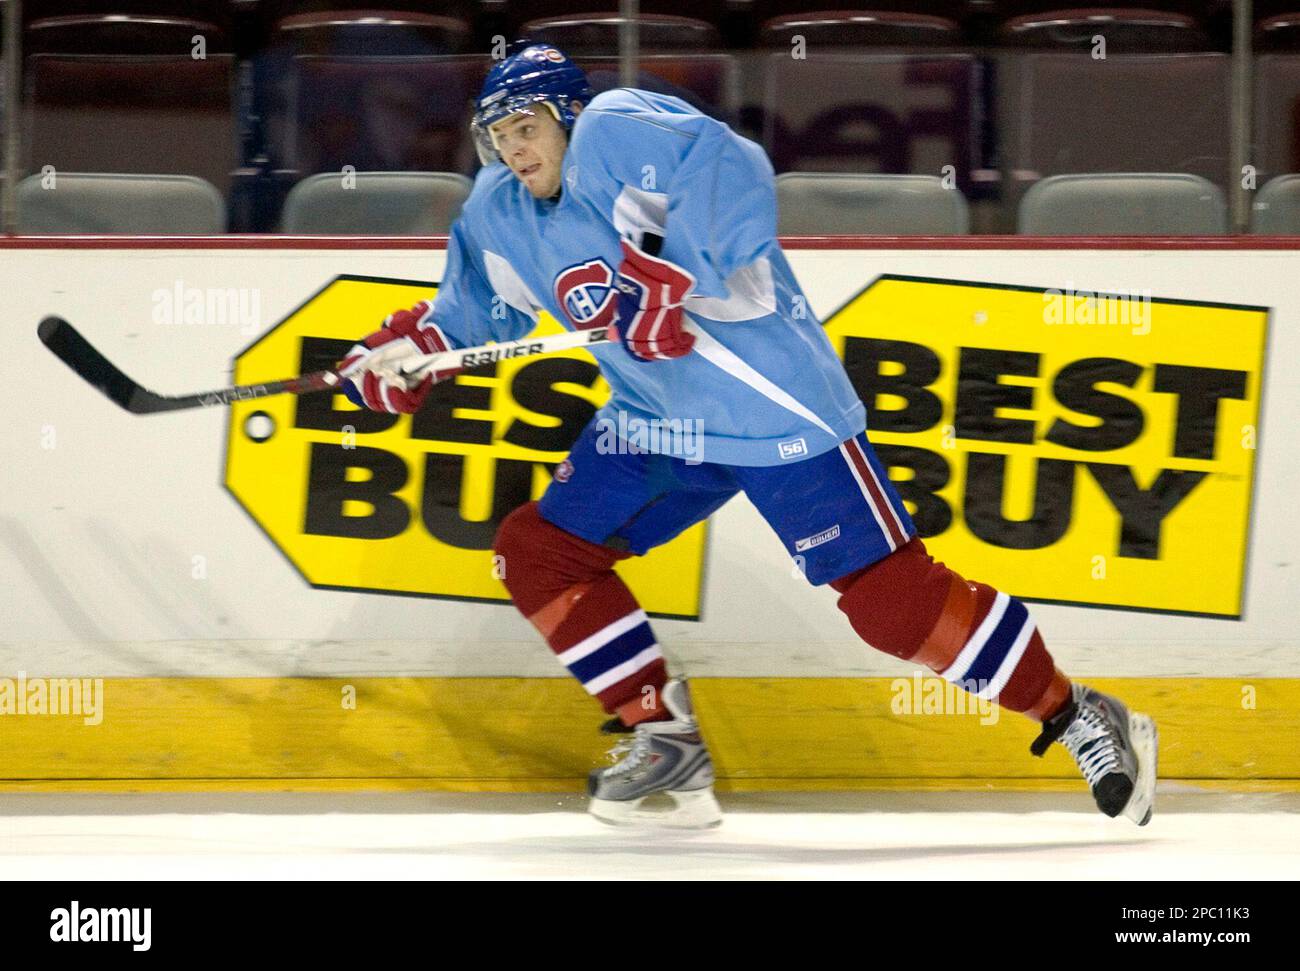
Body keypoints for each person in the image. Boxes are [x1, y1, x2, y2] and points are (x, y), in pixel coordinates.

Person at [338, 43, 1158, 829]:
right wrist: (412, 353)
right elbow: (475, 311)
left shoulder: (618, 126)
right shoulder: (498, 209)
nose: (514, 150)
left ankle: (1077, 711)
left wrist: (667, 275)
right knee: (539, 550)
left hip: (772, 408)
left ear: (568, 116)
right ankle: (665, 738)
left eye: (527, 128)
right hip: (657, 424)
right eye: (499, 136)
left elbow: (730, 170)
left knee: (889, 606)